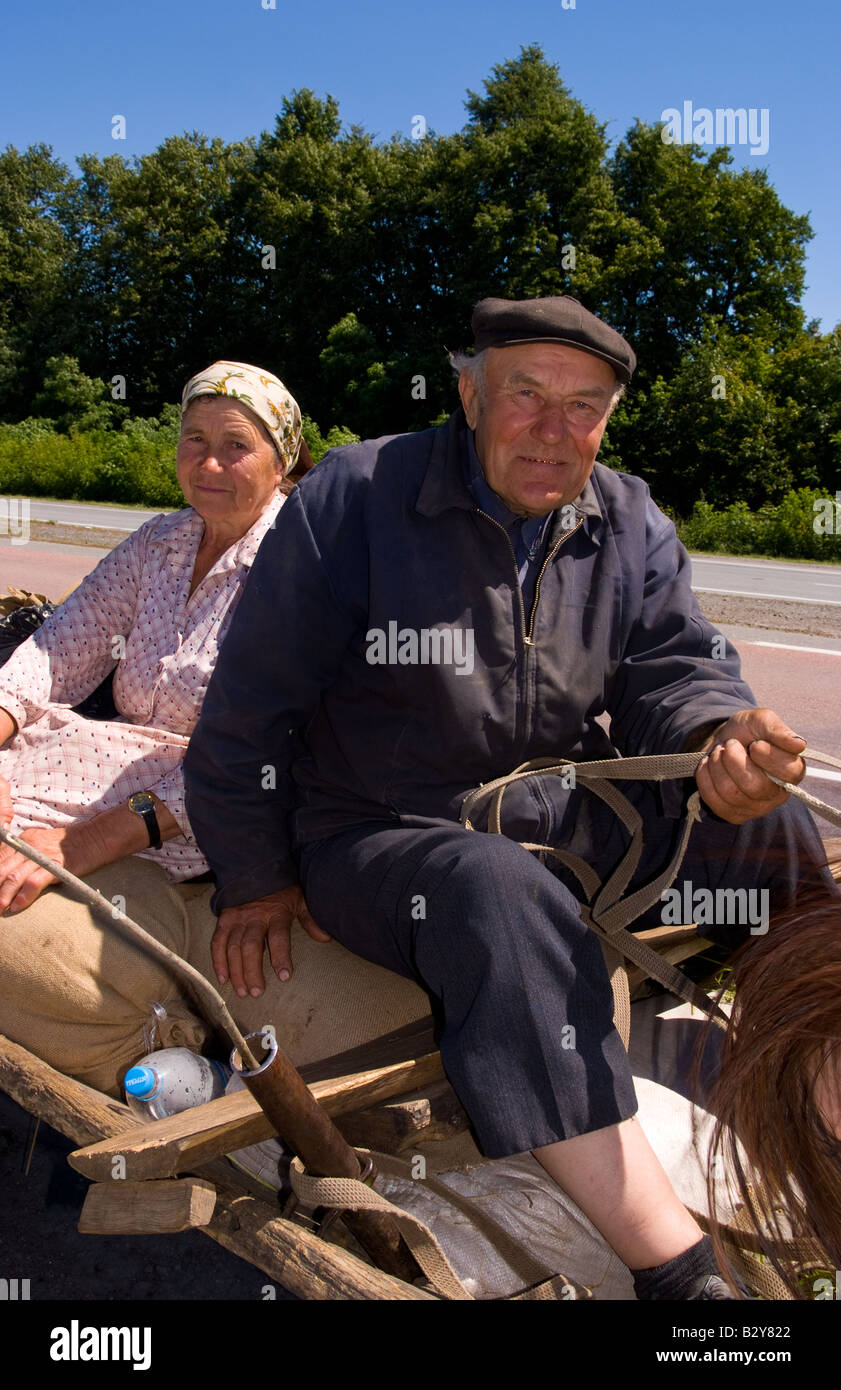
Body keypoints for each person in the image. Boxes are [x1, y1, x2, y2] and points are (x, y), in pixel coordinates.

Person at [183, 297, 839, 1301]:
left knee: (775, 827)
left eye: (583, 407)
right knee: (495, 891)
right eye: (524, 394)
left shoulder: (628, 518)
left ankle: (811, 1096)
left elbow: (673, 674)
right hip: (385, 831)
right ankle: (677, 1275)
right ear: (469, 393)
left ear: (608, 421)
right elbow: (246, 712)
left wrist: (722, 740)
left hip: (572, 813)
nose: (552, 427)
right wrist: (256, 877)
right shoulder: (356, 497)